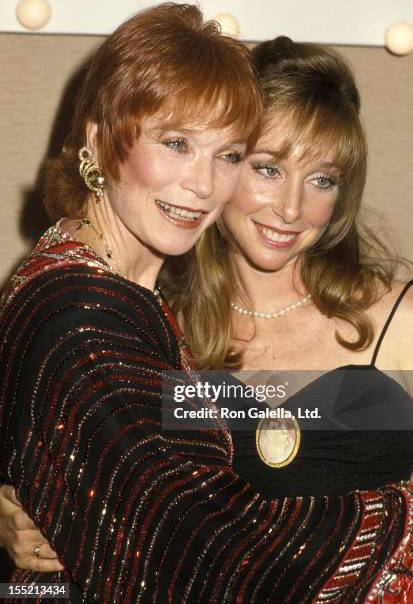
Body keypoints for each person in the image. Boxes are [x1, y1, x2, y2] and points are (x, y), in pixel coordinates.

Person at [1, 29, 412, 604]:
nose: (293, 208)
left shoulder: (402, 318)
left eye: (323, 179)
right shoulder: (161, 322)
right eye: (265, 166)